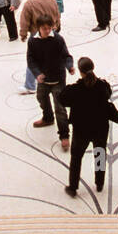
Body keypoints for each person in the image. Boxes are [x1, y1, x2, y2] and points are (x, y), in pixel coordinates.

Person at [60, 57, 118, 196]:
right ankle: (99, 183)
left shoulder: (75, 89)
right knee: (100, 153)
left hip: (81, 129)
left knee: (76, 157)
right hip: (100, 127)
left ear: (80, 71)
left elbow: (62, 99)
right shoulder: (102, 86)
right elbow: (108, 93)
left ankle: (73, 186)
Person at [27, 19, 75, 151]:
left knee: (60, 108)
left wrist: (69, 67)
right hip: (43, 79)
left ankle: (64, 135)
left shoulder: (58, 39)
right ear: (38, 28)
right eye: (44, 29)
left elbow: (66, 56)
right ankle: (48, 117)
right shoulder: (32, 41)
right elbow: (30, 60)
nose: (48, 31)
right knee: (41, 97)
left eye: (49, 28)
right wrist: (37, 73)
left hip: (58, 79)